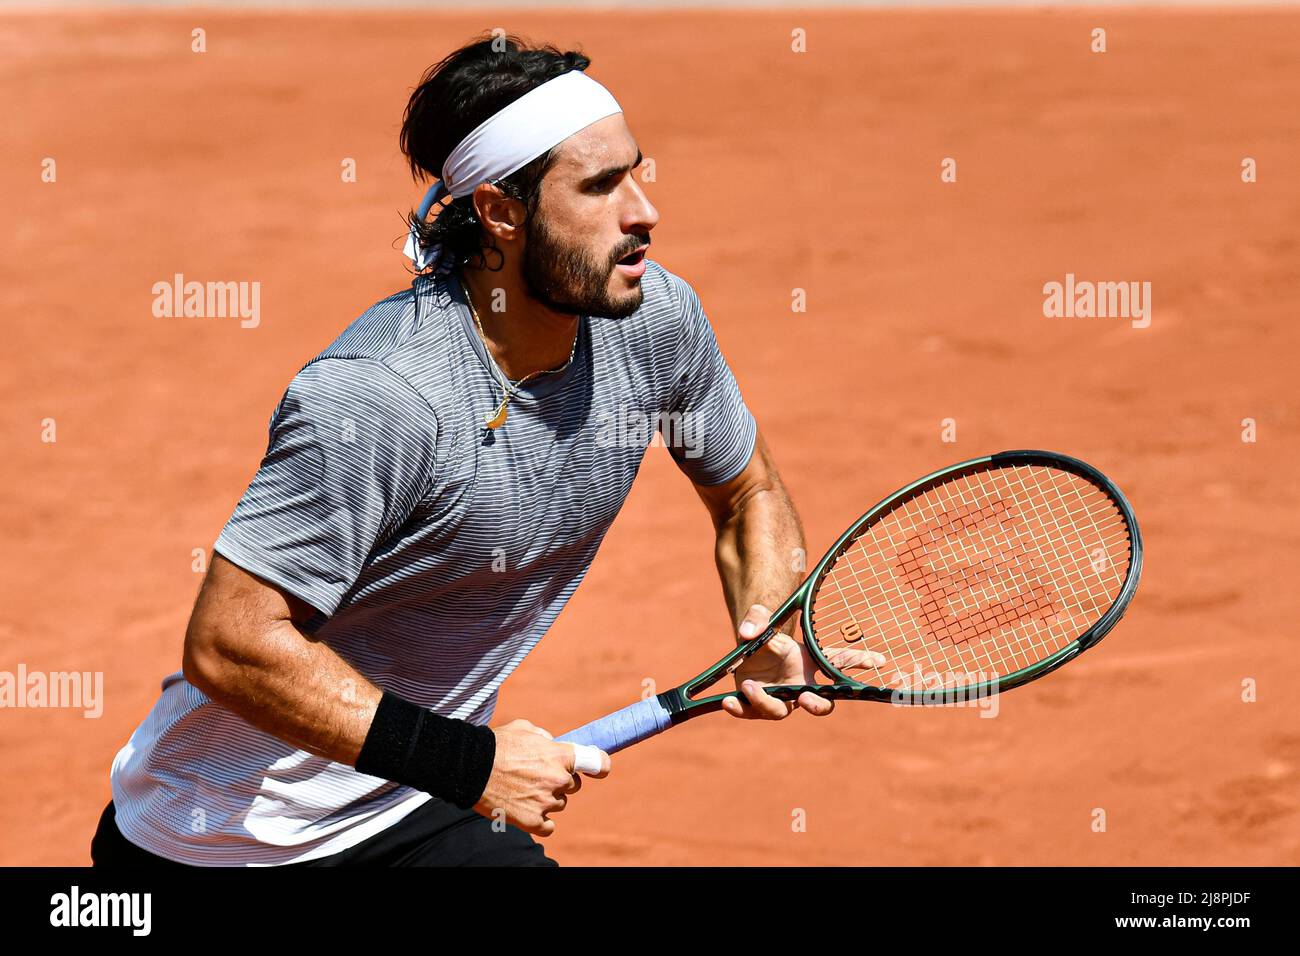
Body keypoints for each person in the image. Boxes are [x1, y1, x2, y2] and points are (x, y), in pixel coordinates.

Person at [92, 34, 844, 868]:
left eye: (637, 171)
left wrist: (768, 622)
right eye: (599, 186)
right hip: (222, 837)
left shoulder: (657, 322)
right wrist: (470, 763)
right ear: (500, 212)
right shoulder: (379, 396)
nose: (644, 212)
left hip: (412, 801)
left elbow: (749, 496)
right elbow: (229, 644)